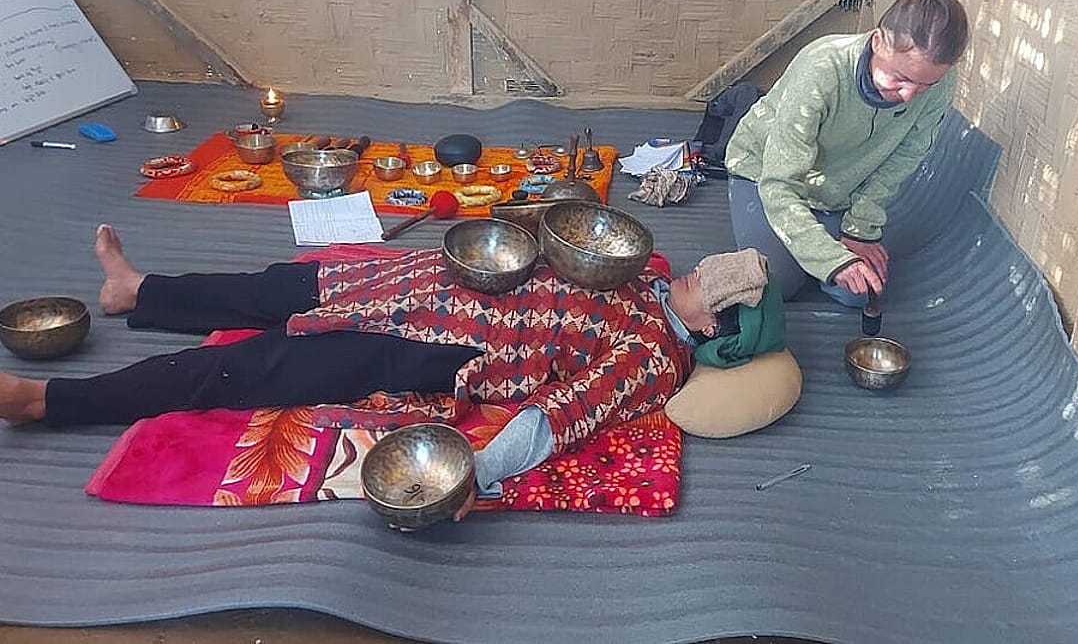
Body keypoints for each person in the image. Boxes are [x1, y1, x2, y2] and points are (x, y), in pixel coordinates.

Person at [0, 225, 784, 520]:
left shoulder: (655, 356)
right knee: (284, 285)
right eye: (708, 270)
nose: (698, 276)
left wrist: (476, 471)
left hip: (447, 347)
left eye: (713, 287)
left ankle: (47, 400)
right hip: (439, 281)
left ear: (717, 326)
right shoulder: (645, 272)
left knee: (261, 366)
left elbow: (566, 413)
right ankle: (138, 290)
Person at [724, 0, 970, 305]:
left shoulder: (939, 85)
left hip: (836, 189)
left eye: (926, 84)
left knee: (860, 293)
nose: (911, 94)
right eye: (900, 79)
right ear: (878, 42)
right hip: (763, 172)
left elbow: (903, 159)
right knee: (775, 285)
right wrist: (830, 258)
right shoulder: (822, 68)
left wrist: (860, 229)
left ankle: (818, 242)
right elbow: (779, 182)